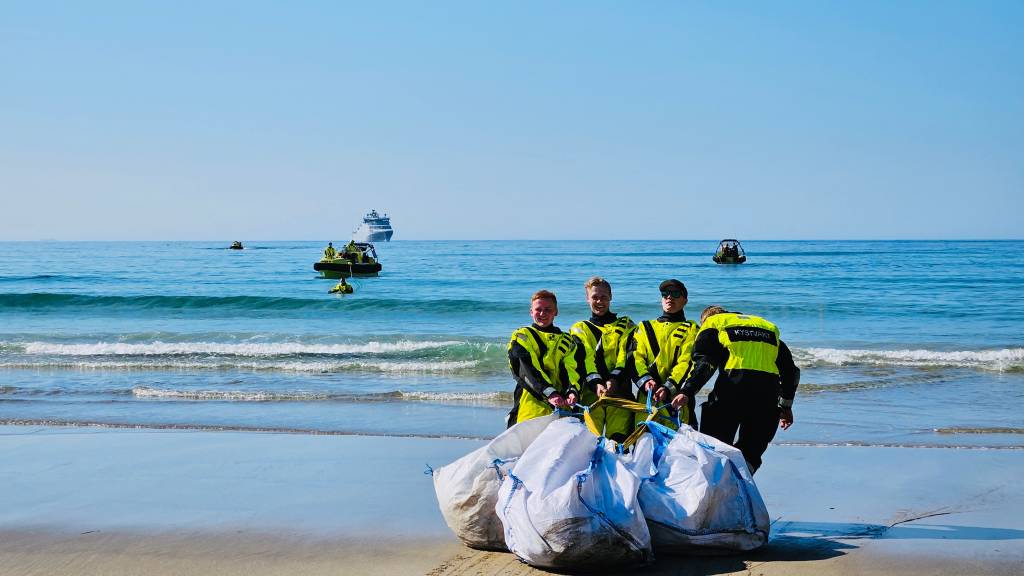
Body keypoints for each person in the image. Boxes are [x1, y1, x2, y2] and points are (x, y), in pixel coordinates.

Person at [671, 305, 800, 474]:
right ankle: (740, 483)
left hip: (730, 394)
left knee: (713, 449)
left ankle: (716, 484)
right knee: (750, 455)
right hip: (766, 400)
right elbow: (791, 373)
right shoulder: (765, 327)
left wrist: (687, 391)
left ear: (705, 320)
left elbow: (706, 363)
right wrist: (785, 406)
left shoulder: (713, 323)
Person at [619, 279, 700, 429]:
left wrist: (668, 387)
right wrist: (645, 381)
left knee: (677, 442)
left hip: (676, 400)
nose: (669, 297)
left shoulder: (692, 329)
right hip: (647, 397)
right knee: (643, 439)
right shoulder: (644, 327)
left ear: (685, 300)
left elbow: (686, 363)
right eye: (665, 294)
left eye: (675, 293)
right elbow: (635, 358)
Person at [570, 277, 637, 441]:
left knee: (618, 443)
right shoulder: (579, 328)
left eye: (604, 297)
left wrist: (614, 379)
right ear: (587, 298)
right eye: (594, 297)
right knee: (590, 443)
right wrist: (596, 384)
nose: (599, 301)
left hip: (620, 393)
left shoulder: (626, 325)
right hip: (591, 395)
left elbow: (625, 356)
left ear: (610, 297)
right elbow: (585, 359)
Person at [506, 290, 584, 427]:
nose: (543, 313)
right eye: (538, 309)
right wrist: (550, 393)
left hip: (562, 407)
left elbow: (573, 369)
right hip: (529, 407)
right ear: (531, 312)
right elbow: (526, 368)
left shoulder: (568, 340)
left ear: (556, 312)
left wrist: (572, 391)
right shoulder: (522, 335)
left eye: (548, 309)